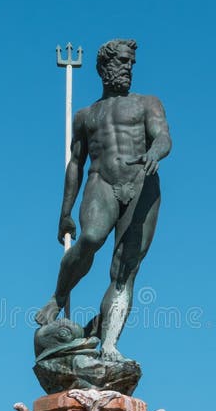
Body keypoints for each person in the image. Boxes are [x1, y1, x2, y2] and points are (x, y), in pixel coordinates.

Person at [35, 39, 171, 361]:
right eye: (122, 61)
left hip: (141, 184)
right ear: (104, 67)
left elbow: (163, 135)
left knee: (124, 270)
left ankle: (107, 341)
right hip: (101, 182)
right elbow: (75, 163)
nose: (128, 68)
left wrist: (155, 151)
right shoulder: (85, 116)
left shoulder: (147, 103)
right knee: (91, 238)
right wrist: (64, 212)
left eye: (131, 64)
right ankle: (59, 296)